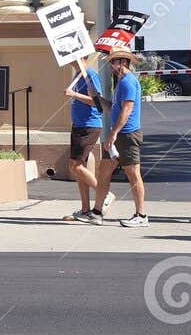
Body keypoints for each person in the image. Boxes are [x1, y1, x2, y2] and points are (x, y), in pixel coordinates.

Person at [93, 47, 149, 228]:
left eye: (114, 62)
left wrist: (113, 133)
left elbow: (127, 109)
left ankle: (141, 215)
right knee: (104, 171)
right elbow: (113, 108)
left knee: (133, 174)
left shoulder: (127, 82)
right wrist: (97, 98)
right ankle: (96, 212)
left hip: (127, 134)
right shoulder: (121, 82)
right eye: (110, 62)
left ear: (123, 62)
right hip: (119, 135)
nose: (110, 65)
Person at [64, 63, 113, 224]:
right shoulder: (78, 74)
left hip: (89, 125)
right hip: (78, 125)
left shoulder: (90, 74)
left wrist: (73, 94)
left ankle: (105, 194)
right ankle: (85, 210)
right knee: (80, 168)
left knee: (75, 165)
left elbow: (96, 102)